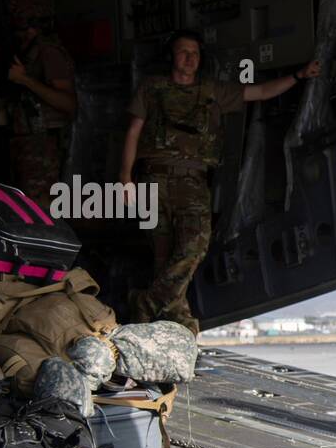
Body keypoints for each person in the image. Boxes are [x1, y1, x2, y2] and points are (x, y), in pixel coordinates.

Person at [120, 29, 321, 334]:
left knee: (194, 247)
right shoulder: (152, 88)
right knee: (164, 259)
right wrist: (124, 177)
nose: (190, 58)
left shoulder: (213, 91)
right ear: (172, 56)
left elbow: (262, 92)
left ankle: (145, 303)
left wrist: (298, 75)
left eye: (195, 54)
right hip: (153, 180)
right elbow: (133, 132)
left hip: (193, 183)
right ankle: (183, 330)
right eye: (183, 52)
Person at [2, 0, 76, 212]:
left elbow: (68, 103)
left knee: (40, 215)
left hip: (44, 149)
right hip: (26, 147)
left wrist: (25, 80)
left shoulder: (48, 52)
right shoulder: (27, 51)